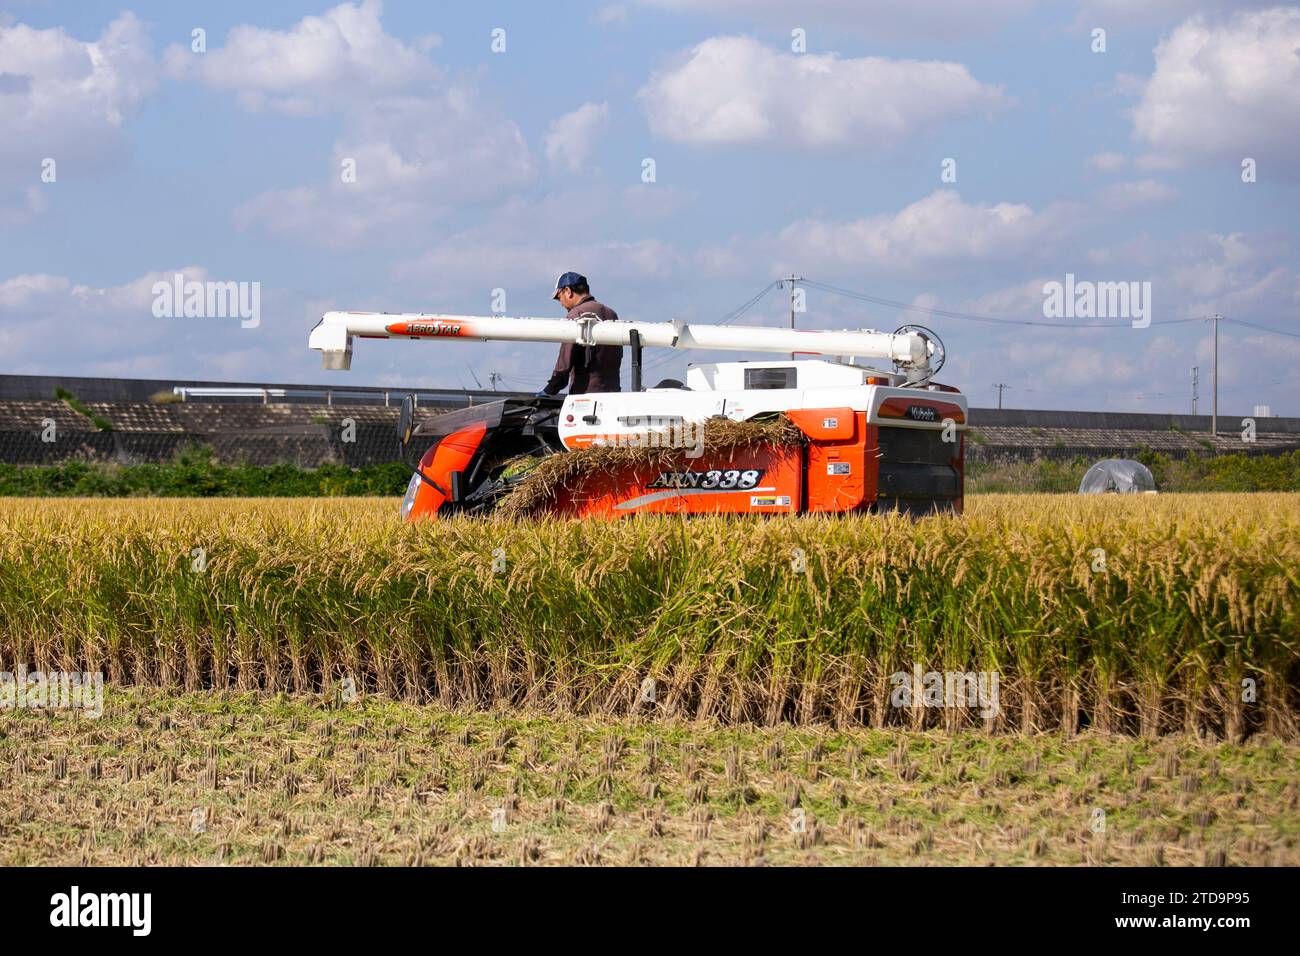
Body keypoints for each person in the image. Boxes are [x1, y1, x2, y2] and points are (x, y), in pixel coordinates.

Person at [537, 272, 622, 396]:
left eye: (558, 296)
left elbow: (566, 359)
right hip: (612, 393)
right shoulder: (611, 314)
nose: (560, 302)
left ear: (568, 291)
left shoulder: (576, 314)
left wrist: (551, 388)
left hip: (585, 394)